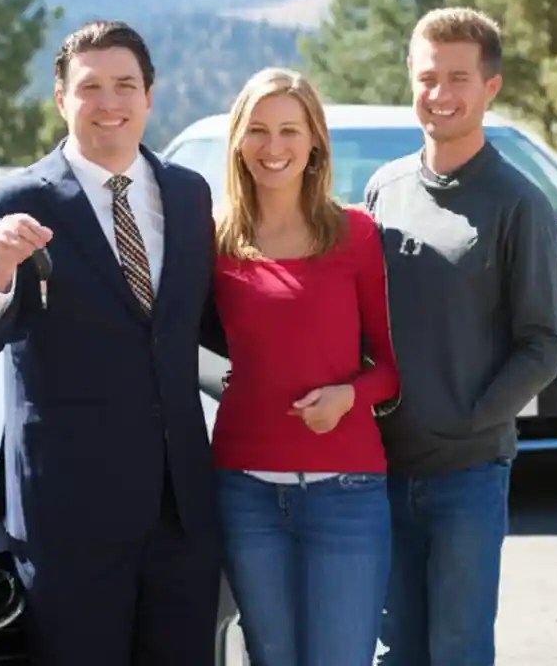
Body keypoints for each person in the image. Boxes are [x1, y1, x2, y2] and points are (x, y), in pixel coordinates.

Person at [0, 20, 222, 666]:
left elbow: (210, 320)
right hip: (70, 516)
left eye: (125, 85)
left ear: (150, 97)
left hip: (182, 510)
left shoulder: (188, 195)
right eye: (90, 87)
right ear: (61, 100)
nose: (109, 103)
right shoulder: (10, 201)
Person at [364, 7, 557, 665]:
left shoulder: (518, 203)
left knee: (457, 648)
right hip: (381, 472)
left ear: (491, 88)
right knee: (396, 650)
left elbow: (542, 343)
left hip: (469, 477)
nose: (440, 95)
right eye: (427, 77)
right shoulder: (383, 190)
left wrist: (469, 421)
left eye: (458, 78)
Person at [200, 67, 401, 666]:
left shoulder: (354, 234)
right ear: (238, 140)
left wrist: (349, 396)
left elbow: (390, 368)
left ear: (315, 140)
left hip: (347, 493)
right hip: (244, 493)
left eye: (290, 130)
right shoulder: (214, 240)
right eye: (258, 130)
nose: (274, 146)